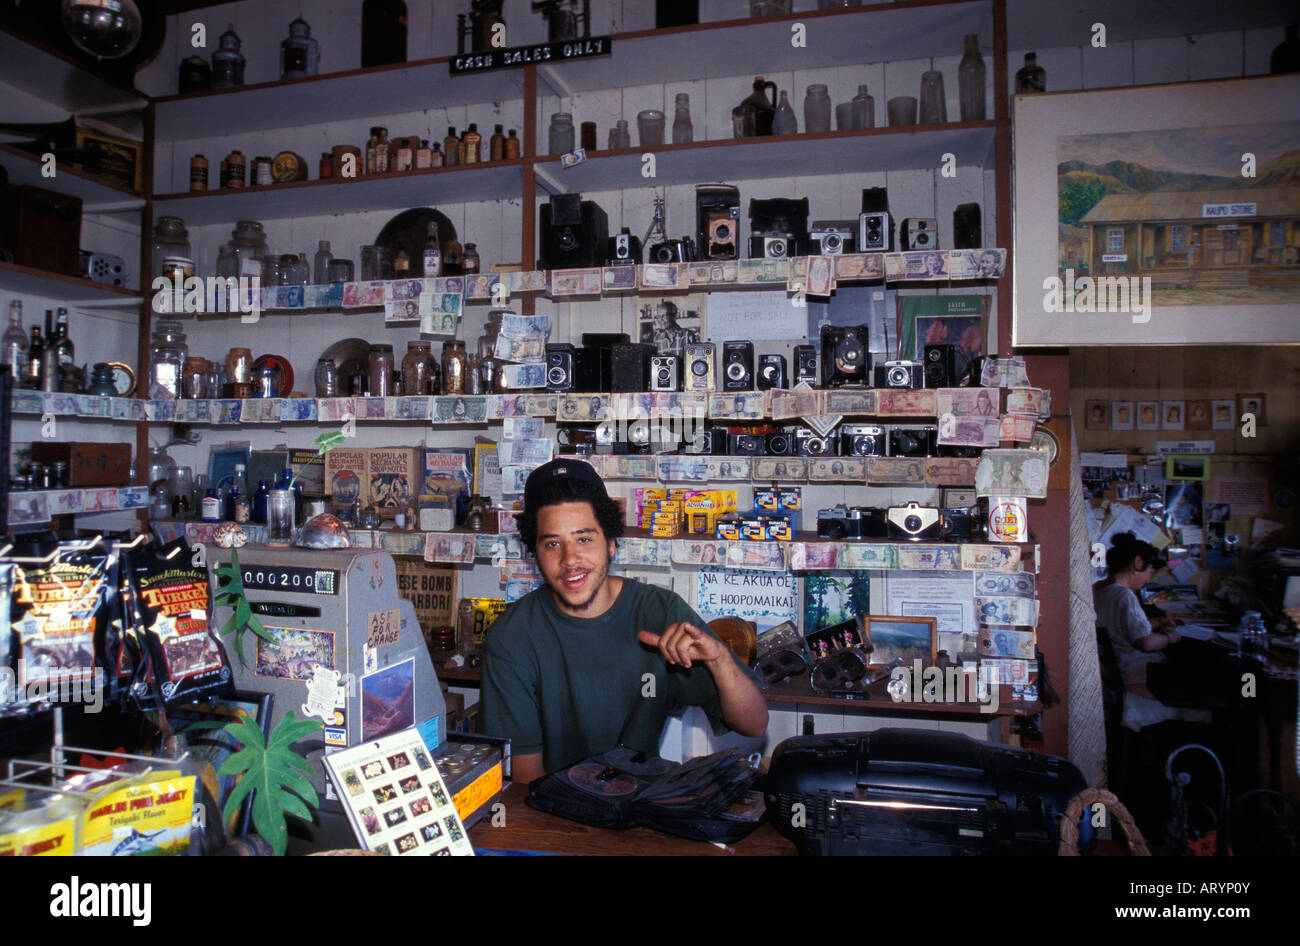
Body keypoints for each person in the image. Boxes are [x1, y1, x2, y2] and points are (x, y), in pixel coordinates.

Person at [481, 460, 767, 781]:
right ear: (534, 553)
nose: (570, 559)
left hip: (641, 804)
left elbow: (754, 724)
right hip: (555, 812)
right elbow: (525, 780)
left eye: (584, 539)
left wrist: (719, 659)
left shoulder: (660, 611)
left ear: (612, 543)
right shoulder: (512, 638)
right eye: (552, 544)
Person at [1093, 532, 1210, 731]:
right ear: (1137, 562)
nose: (1148, 579)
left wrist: (1157, 622)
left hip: (1116, 677)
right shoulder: (1124, 596)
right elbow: (1145, 642)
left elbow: (1124, 627)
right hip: (1137, 679)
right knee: (1206, 689)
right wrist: (1170, 638)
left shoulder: (1101, 589)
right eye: (1149, 572)